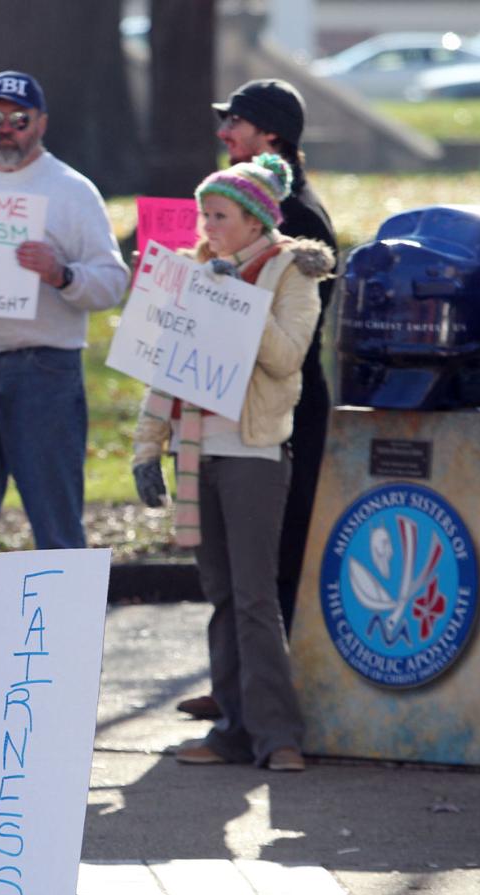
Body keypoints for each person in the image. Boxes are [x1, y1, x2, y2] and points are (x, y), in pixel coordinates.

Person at [131, 154, 334, 772]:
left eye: (218, 216)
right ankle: (233, 729)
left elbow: (287, 358)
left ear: (253, 221)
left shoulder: (291, 273)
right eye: (203, 214)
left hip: (253, 453)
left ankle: (278, 736)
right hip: (197, 450)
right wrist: (148, 445)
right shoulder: (198, 268)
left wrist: (232, 299)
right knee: (220, 593)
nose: (206, 226)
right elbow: (165, 362)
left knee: (253, 597)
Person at [177, 79, 338, 721]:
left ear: (271, 136)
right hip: (220, 407)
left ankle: (275, 708)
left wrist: (222, 292)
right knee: (237, 580)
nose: (224, 135)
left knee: (269, 569)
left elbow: (283, 340)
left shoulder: (294, 219)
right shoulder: (239, 203)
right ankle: (237, 694)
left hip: (278, 412)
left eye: (236, 124)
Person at [0, 70, 129, 552]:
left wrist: (61, 274)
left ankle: (65, 628)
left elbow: (112, 282)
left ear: (41, 123)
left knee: (55, 520)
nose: (6, 128)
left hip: (42, 370)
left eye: (19, 118)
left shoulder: (71, 190)